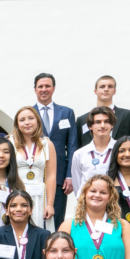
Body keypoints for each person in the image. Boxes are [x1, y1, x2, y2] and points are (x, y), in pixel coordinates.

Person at [33, 73, 78, 223]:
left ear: (53, 88)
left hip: (59, 176)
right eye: (40, 86)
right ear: (35, 90)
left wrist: (70, 175)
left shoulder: (66, 112)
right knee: (35, 216)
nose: (44, 89)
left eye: (47, 86)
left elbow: (72, 145)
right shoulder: (28, 114)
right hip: (34, 173)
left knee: (56, 217)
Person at [9, 106, 57, 229]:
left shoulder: (47, 144)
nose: (27, 122)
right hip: (16, 192)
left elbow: (51, 176)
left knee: (41, 231)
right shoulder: (10, 142)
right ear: (17, 124)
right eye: (22, 120)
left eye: (31, 118)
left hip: (40, 195)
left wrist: (50, 204)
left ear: (37, 121)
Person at [76, 76, 130, 147]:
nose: (106, 89)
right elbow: (78, 146)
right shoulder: (81, 120)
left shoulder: (129, 116)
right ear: (95, 91)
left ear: (114, 91)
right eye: (102, 87)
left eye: (110, 86)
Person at [70, 106, 117, 199]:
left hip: (115, 203)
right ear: (90, 126)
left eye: (106, 122)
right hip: (89, 205)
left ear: (112, 125)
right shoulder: (79, 154)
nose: (102, 125)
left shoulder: (120, 150)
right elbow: (77, 185)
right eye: (98, 122)